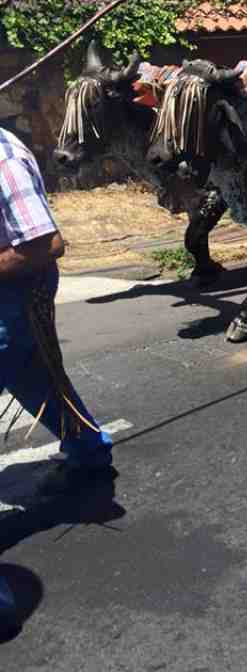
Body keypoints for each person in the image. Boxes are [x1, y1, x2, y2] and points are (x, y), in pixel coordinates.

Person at [0, 128, 114, 526]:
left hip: (14, 292)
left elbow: (45, 244)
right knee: (31, 375)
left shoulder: (4, 160)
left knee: (26, 368)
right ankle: (89, 450)